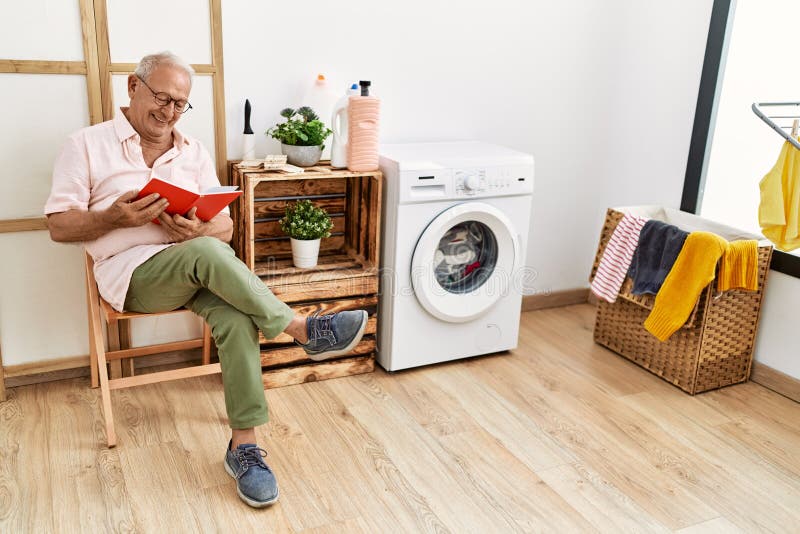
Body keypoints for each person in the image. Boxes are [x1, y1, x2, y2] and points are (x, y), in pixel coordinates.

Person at [44, 51, 368, 509]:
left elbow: (225, 229)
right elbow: (59, 225)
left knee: (235, 315)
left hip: (197, 269)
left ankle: (244, 447)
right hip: (132, 277)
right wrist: (113, 217)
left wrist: (197, 229)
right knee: (206, 254)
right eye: (162, 98)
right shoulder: (85, 145)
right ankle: (300, 328)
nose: (169, 112)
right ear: (133, 87)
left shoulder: (192, 150)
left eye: (180, 104)